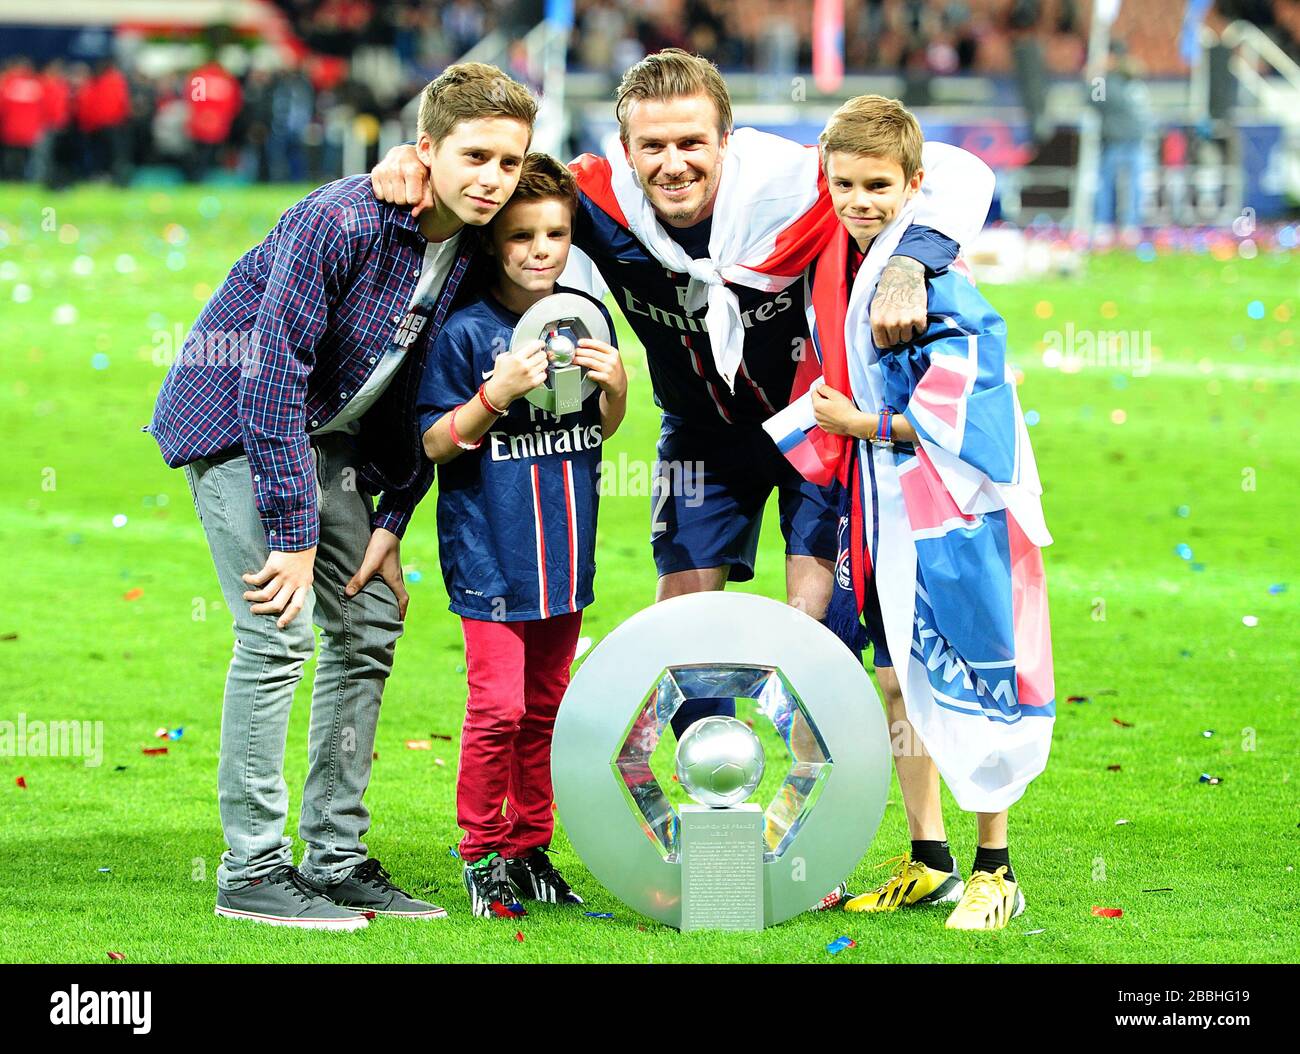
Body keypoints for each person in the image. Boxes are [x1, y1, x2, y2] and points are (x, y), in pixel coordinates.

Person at [370, 50, 993, 747]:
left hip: (812, 426)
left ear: (726, 139)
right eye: (653, 146)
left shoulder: (796, 181)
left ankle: (806, 814)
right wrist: (412, 161)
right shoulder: (597, 200)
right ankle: (717, 801)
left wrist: (910, 263)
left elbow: (960, 172)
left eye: (692, 142)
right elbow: (501, 182)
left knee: (815, 628)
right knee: (682, 634)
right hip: (700, 435)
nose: (674, 163)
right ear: (625, 149)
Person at [149, 62, 537, 929]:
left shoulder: (475, 243)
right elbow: (270, 375)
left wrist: (393, 520)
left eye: (509, 163)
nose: (493, 179)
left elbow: (420, 396)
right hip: (240, 427)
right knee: (275, 633)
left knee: (367, 624)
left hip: (335, 445)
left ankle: (334, 857)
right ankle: (250, 869)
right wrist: (291, 533)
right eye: (475, 156)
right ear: (425, 149)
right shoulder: (339, 218)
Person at [785, 94, 1055, 930]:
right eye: (844, 184)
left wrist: (855, 424)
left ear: (913, 186)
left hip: (953, 507)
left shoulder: (933, 272)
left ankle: (996, 869)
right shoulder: (849, 254)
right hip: (881, 500)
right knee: (899, 673)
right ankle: (930, 859)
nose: (858, 201)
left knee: (977, 665)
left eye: (876, 186)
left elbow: (969, 404)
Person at [417, 153, 627, 918]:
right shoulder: (468, 332)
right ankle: (480, 852)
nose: (542, 249)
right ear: (490, 244)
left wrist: (618, 389)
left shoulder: (582, 318)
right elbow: (436, 443)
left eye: (557, 234)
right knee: (498, 710)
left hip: (565, 551)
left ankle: (529, 847)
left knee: (546, 709)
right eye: (521, 236)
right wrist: (492, 395)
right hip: (490, 557)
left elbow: (597, 430)